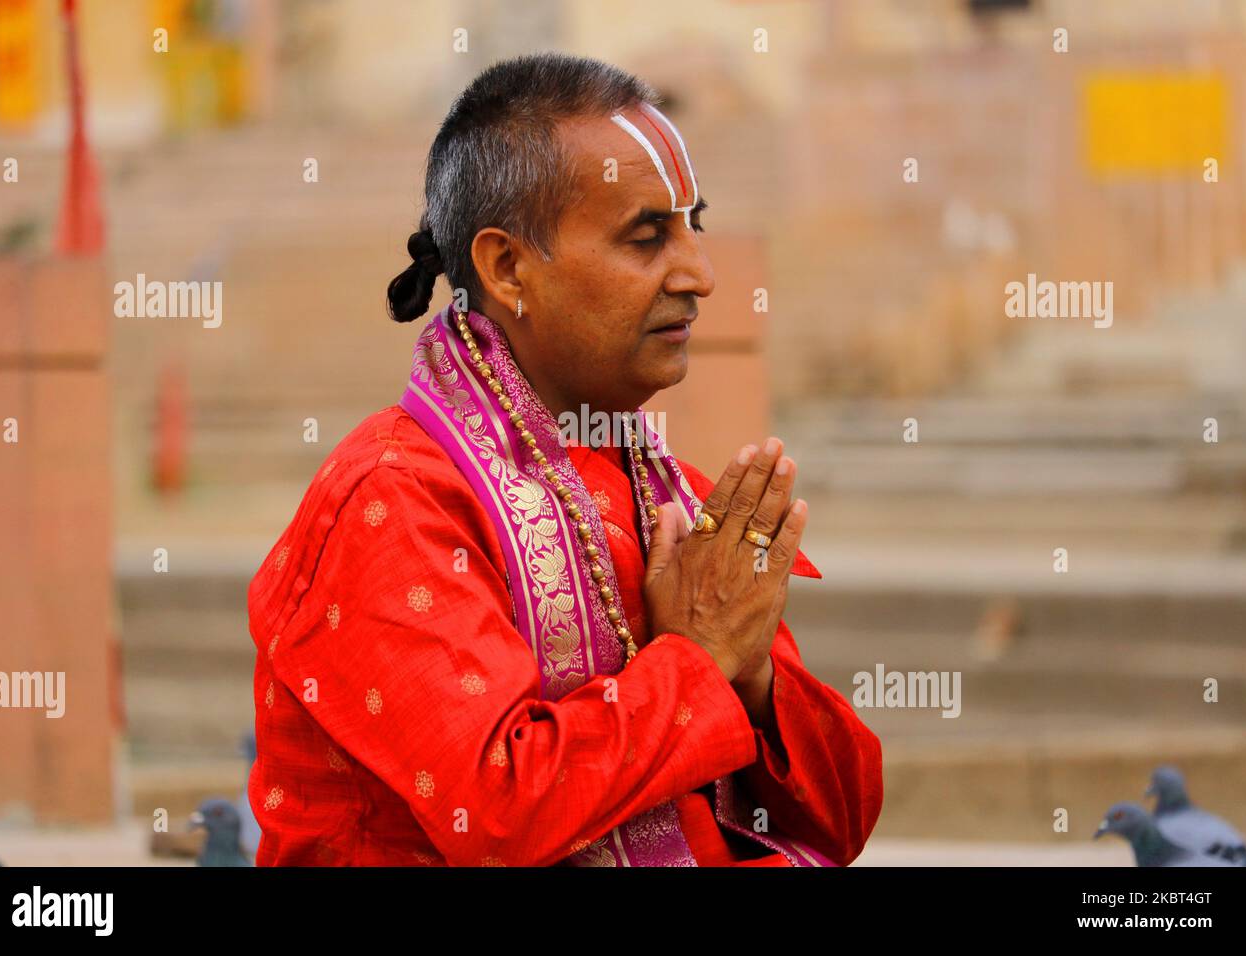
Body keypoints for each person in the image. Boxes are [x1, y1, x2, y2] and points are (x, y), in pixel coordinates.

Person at [247, 52, 883, 867]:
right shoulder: (396, 500)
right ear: (509, 267)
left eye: (694, 226)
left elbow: (844, 818)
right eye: (647, 237)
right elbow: (499, 814)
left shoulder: (663, 494)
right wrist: (699, 663)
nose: (701, 274)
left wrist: (749, 675)